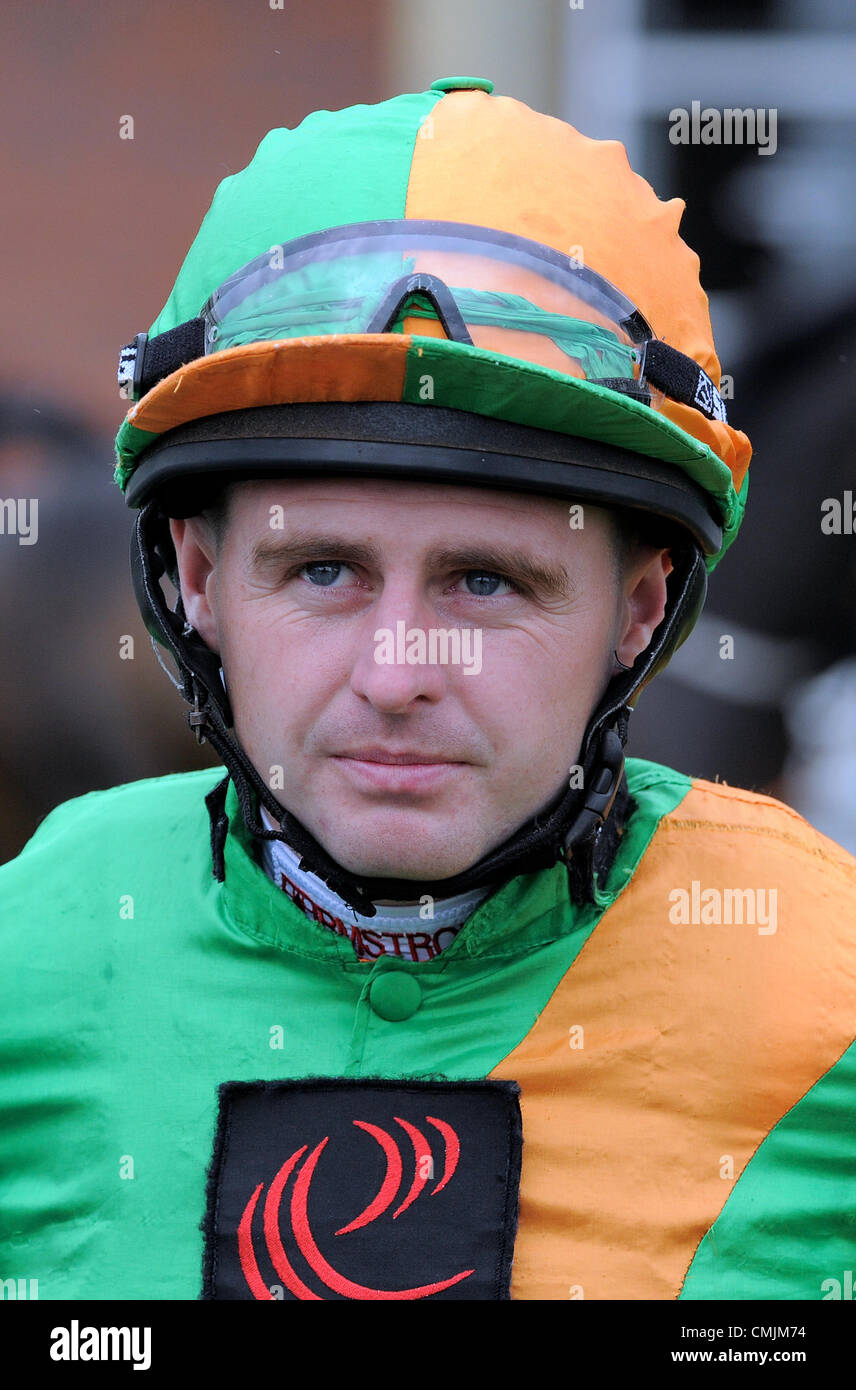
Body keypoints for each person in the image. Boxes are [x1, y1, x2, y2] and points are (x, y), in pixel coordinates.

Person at [2, 75, 854, 1303]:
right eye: (324, 568)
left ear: (641, 606)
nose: (398, 675)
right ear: (196, 578)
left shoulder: (828, 999)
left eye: (489, 583)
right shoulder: (25, 955)